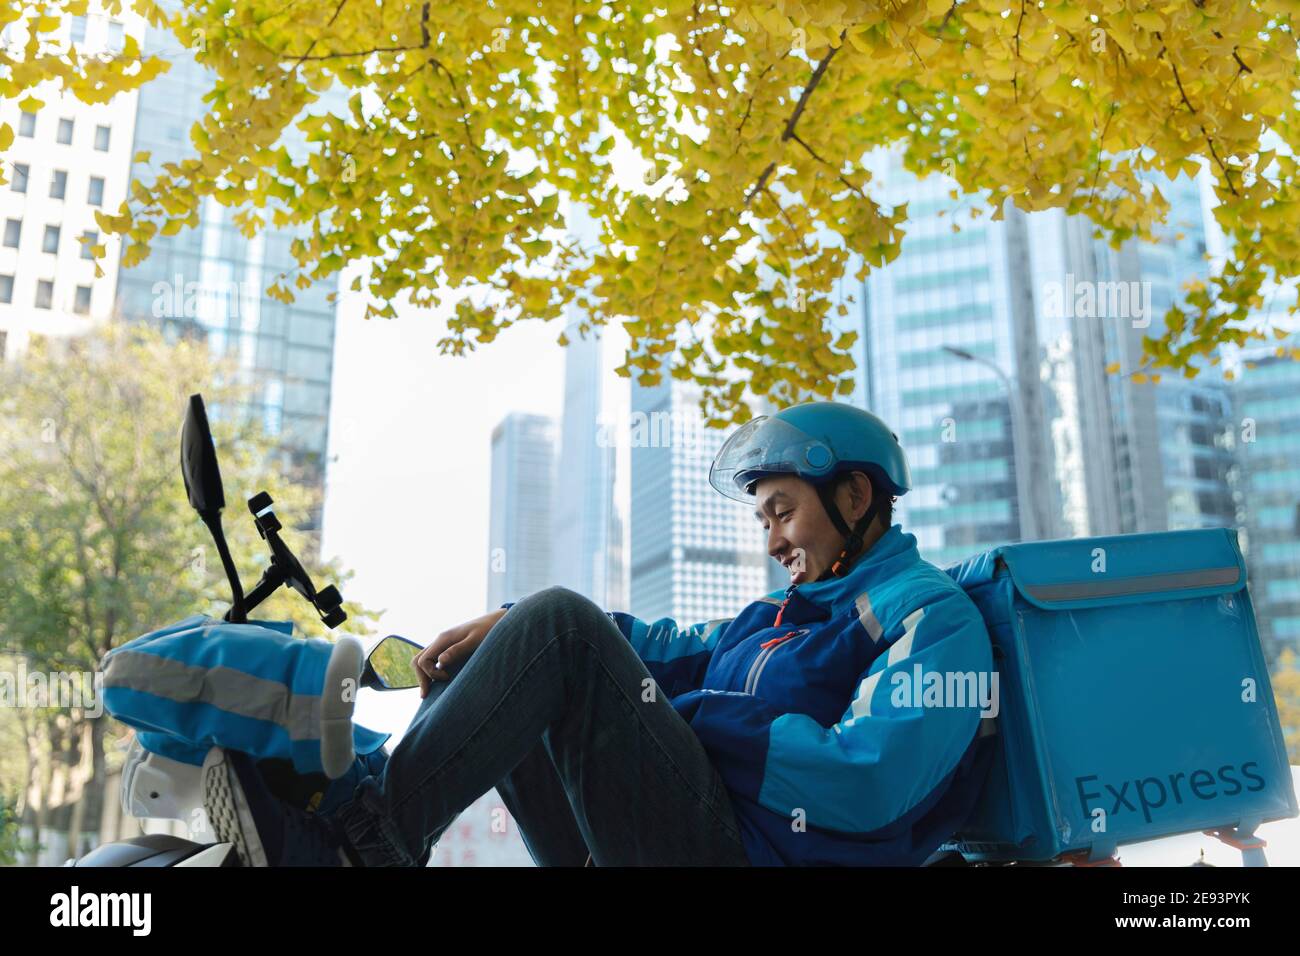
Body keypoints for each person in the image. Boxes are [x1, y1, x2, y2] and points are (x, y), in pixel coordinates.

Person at [201, 401, 996, 866]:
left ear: (856, 496)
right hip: (664, 836)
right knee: (520, 646)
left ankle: (358, 846)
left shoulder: (932, 619)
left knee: (562, 622)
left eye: (783, 511)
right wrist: (508, 633)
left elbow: (867, 783)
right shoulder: (775, 618)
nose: (772, 542)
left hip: (749, 855)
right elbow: (653, 649)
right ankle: (358, 812)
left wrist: (691, 720)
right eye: (763, 519)